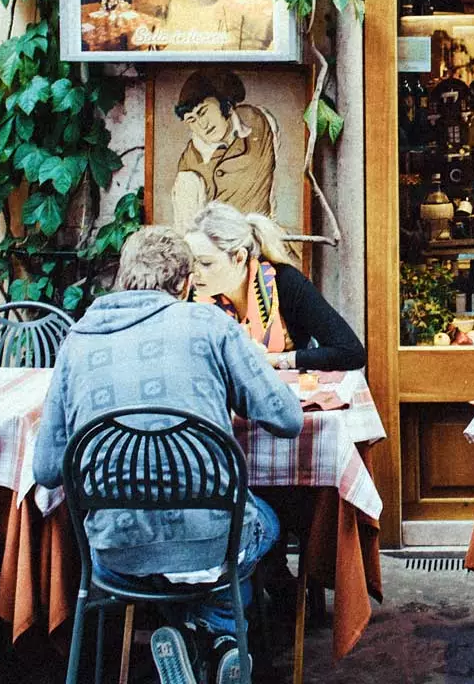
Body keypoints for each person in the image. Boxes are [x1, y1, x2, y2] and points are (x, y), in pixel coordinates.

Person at [34, 226, 304, 684]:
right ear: (183, 285)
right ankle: (218, 636)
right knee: (261, 524)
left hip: (116, 555)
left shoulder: (76, 340)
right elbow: (287, 419)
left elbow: (46, 469)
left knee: (192, 536)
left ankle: (184, 635)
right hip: (212, 545)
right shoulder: (210, 325)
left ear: (122, 278)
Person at [184, 201, 366, 371]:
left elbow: (351, 352)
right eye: (191, 261)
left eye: (206, 263)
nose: (194, 272)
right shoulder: (193, 295)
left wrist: (275, 360)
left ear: (239, 258)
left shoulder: (284, 282)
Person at [171, 69, 280, 232]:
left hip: (265, 241)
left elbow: (272, 188)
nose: (202, 125)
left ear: (226, 105)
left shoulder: (260, 121)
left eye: (203, 112)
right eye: (191, 120)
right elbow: (188, 234)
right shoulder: (190, 169)